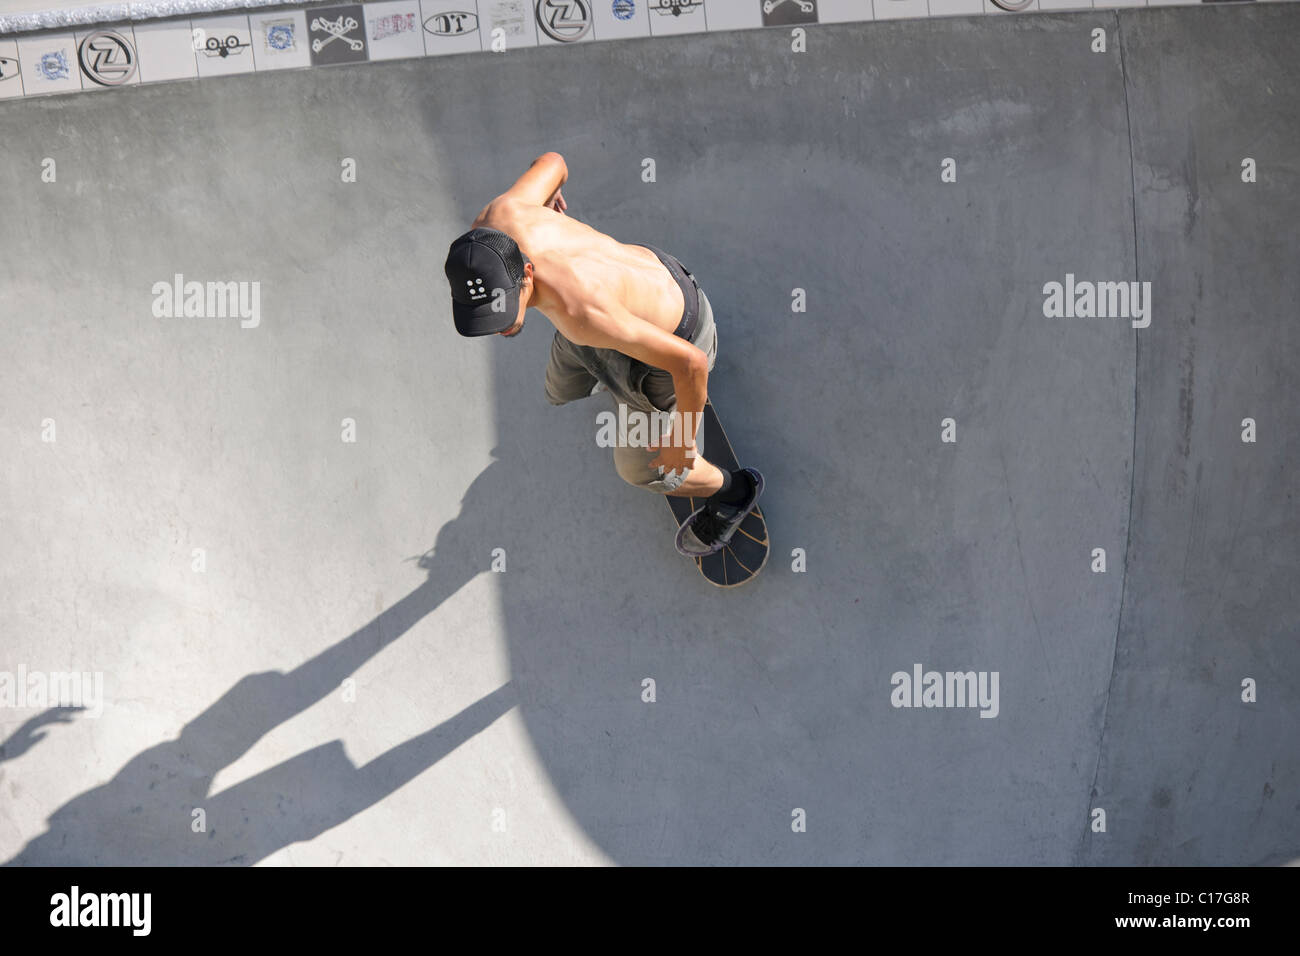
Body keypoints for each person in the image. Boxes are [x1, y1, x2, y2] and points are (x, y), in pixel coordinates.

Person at [443, 152, 762, 556]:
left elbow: (690, 363)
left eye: (505, 311)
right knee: (558, 388)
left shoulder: (581, 313)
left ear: (526, 273)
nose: (503, 327)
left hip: (684, 335)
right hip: (654, 272)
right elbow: (554, 161)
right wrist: (553, 194)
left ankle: (736, 491)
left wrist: (682, 440)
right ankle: (629, 384)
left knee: (642, 470)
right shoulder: (503, 214)